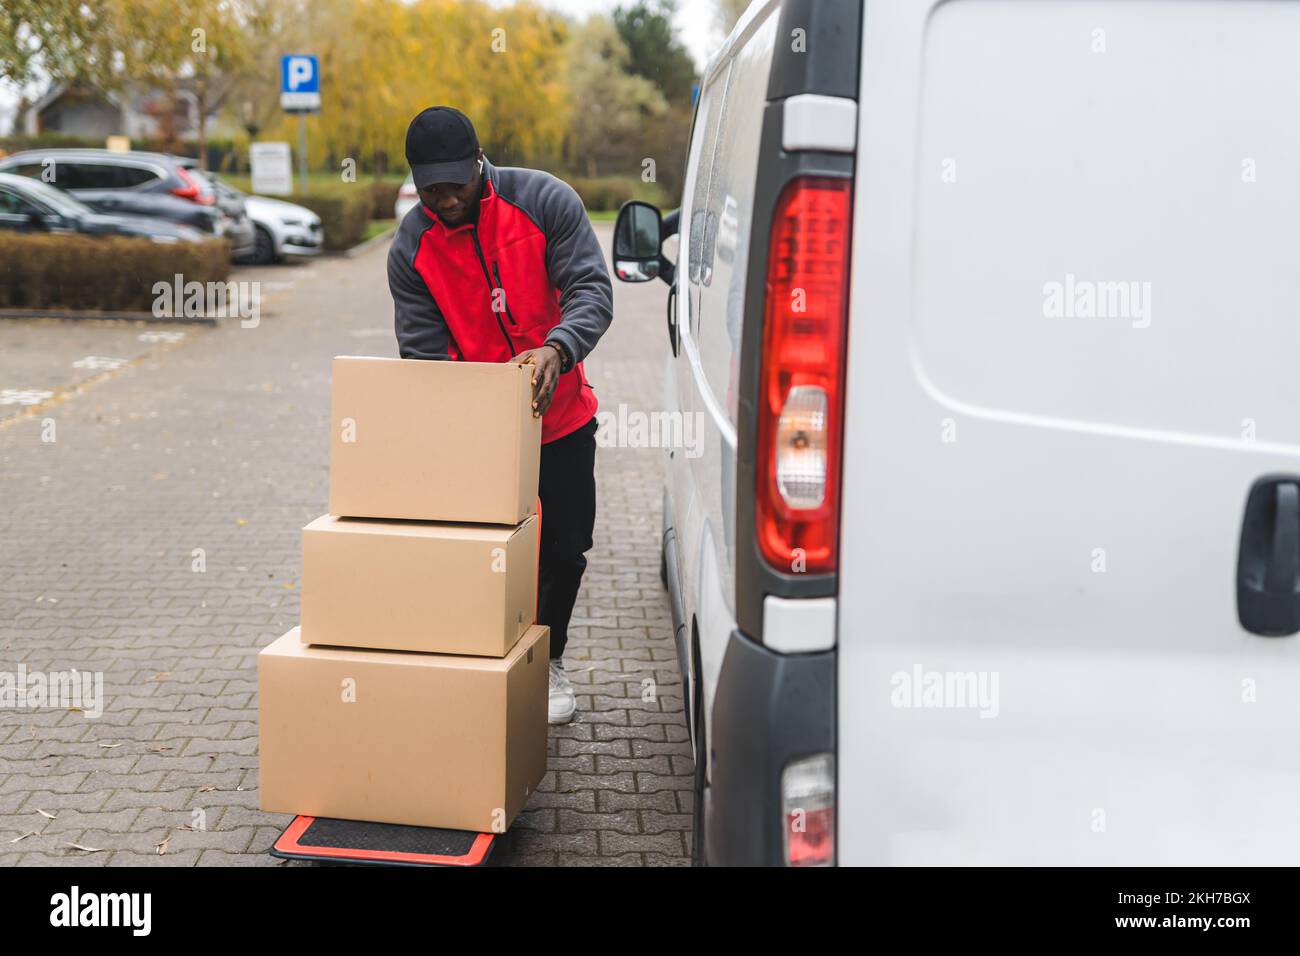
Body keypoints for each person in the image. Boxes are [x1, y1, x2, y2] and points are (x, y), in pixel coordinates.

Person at [388, 106, 612, 724]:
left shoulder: (545, 201)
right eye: (431, 188)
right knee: (486, 555)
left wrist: (557, 347)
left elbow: (592, 289)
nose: (445, 198)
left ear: (478, 163)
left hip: (562, 417)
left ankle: (549, 662)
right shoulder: (411, 246)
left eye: (455, 184)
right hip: (479, 432)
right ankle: (481, 666)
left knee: (564, 549)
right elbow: (422, 350)